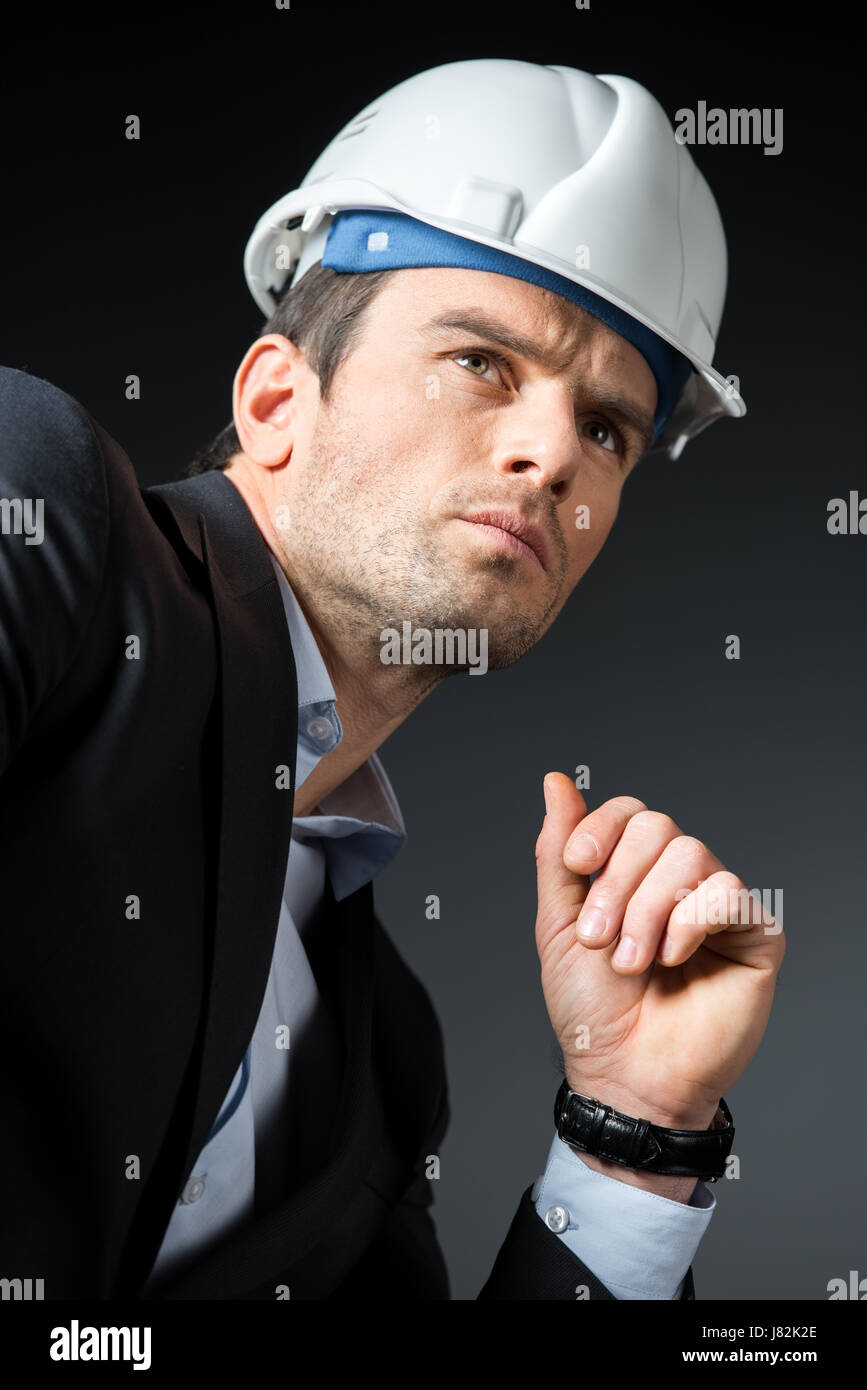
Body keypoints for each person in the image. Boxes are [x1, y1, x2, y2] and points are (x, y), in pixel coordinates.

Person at [0, 58, 783, 1300]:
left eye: (607, 428)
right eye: (481, 361)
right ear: (276, 400)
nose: (550, 456)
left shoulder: (385, 1057)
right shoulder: (46, 512)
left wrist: (635, 1129)